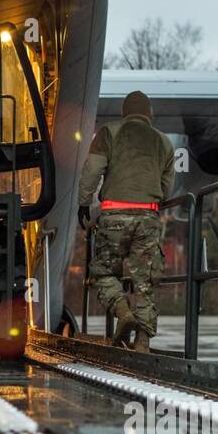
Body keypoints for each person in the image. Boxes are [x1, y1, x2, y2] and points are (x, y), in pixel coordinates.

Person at [77, 90, 175, 353]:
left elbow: (92, 169)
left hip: (114, 215)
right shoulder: (164, 142)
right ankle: (142, 343)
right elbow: (167, 187)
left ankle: (123, 312)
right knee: (145, 281)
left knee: (103, 272)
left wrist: (83, 201)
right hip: (148, 216)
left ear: (124, 112)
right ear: (149, 114)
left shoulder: (109, 133)